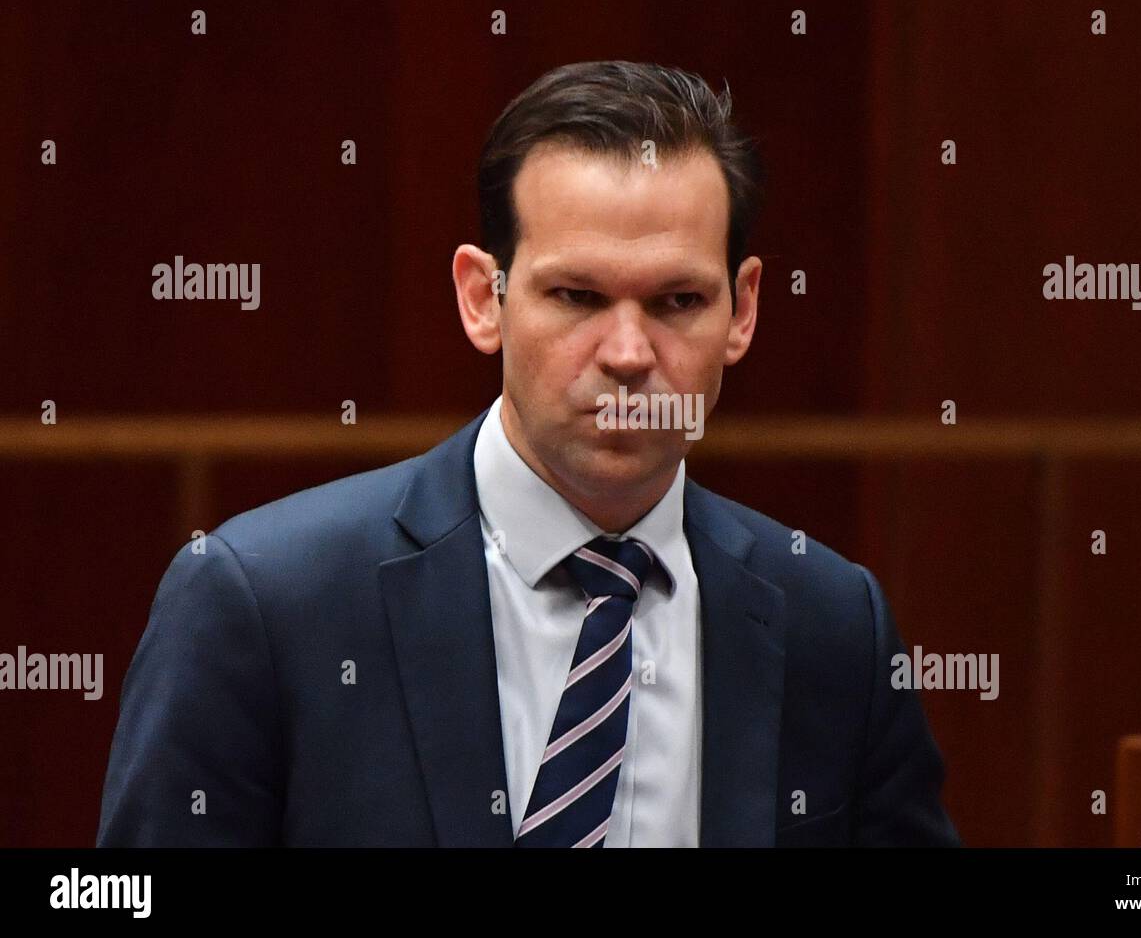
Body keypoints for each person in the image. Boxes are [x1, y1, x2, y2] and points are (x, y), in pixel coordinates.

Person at [97, 60, 961, 848]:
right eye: (577, 295)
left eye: (678, 300)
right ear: (484, 298)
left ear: (741, 311)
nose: (628, 351)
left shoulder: (832, 621)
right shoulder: (264, 603)